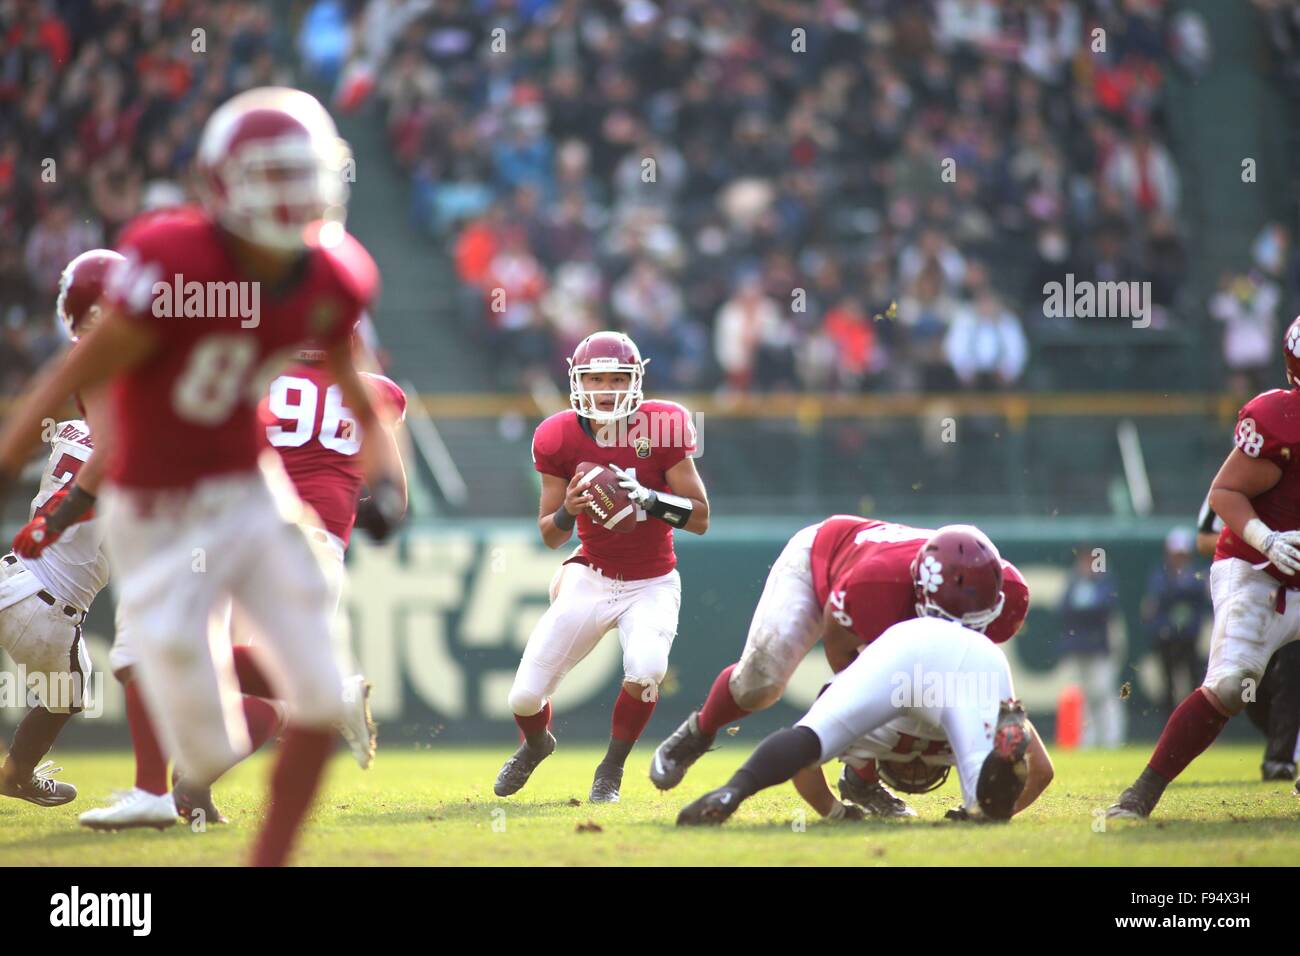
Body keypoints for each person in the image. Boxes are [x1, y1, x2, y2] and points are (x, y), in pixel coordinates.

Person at [0, 87, 406, 865]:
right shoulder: (173, 258)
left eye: (301, 175)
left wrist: (384, 484)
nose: (290, 196)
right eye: (271, 177)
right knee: (185, 705)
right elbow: (69, 376)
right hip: (154, 512)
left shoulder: (333, 273)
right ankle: (167, 785)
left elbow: (363, 394)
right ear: (226, 184)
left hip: (253, 492)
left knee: (316, 699)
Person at [650, 519, 1029, 816]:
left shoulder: (1007, 591)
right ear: (919, 594)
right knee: (760, 682)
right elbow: (840, 650)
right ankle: (700, 731)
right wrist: (863, 755)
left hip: (878, 572)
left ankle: (859, 779)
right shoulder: (877, 587)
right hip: (823, 563)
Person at [494, 331, 709, 803]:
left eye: (617, 379)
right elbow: (550, 535)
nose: (606, 389)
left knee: (648, 668)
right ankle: (535, 745)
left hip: (652, 580)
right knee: (524, 699)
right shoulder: (557, 435)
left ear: (636, 381)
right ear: (578, 382)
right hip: (589, 574)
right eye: (596, 380)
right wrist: (569, 510)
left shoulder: (665, 425)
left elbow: (701, 518)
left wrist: (651, 501)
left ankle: (610, 770)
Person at [1109, 315, 1300, 819]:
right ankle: (1142, 792)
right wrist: (1267, 538)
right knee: (1233, 686)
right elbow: (1225, 492)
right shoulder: (1280, 421)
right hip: (1256, 568)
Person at [1059, 546, 1124, 748]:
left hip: (1099, 647)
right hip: (1080, 647)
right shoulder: (1074, 580)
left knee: (1103, 693)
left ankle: (1112, 739)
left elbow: (1103, 607)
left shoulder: (1104, 581)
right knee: (1084, 696)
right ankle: (1088, 740)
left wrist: (1084, 607)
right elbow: (1063, 608)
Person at [1140, 528, 1209, 717]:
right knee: (1168, 685)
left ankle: (1197, 724)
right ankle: (1169, 727)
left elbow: (1200, 594)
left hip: (1189, 638)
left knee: (1195, 683)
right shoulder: (1160, 576)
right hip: (1167, 638)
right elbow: (1154, 603)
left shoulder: (1194, 575)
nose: (1179, 559)